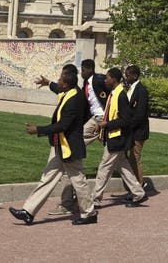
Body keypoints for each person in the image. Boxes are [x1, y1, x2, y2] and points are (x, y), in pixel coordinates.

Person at [9, 65, 97, 226]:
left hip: (70, 147)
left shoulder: (74, 100)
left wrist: (38, 130)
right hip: (60, 146)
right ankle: (28, 211)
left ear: (66, 84)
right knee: (47, 177)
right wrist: (48, 83)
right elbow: (58, 89)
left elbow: (62, 125)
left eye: (60, 79)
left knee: (78, 181)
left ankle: (89, 213)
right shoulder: (69, 91)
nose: (58, 81)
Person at [36, 59, 107, 217]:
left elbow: (110, 96)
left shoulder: (95, 82)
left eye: (83, 69)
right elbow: (60, 89)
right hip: (93, 121)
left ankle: (70, 205)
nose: (82, 72)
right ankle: (137, 190)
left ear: (88, 69)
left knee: (72, 155)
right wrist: (48, 83)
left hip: (98, 120)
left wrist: (107, 122)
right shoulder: (79, 88)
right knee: (115, 159)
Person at [92, 67, 146, 208]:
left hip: (117, 138)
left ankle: (95, 199)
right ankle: (138, 193)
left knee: (103, 169)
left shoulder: (120, 95)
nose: (105, 80)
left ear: (114, 79)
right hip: (115, 137)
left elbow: (126, 120)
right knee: (124, 168)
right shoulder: (114, 93)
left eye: (107, 77)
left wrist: (106, 124)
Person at [124, 64, 152, 198]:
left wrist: (128, 127)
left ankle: (139, 187)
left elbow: (140, 115)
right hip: (132, 130)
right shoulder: (130, 89)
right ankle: (133, 186)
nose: (126, 77)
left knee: (135, 158)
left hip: (138, 131)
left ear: (135, 76)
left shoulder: (141, 91)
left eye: (128, 75)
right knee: (130, 158)